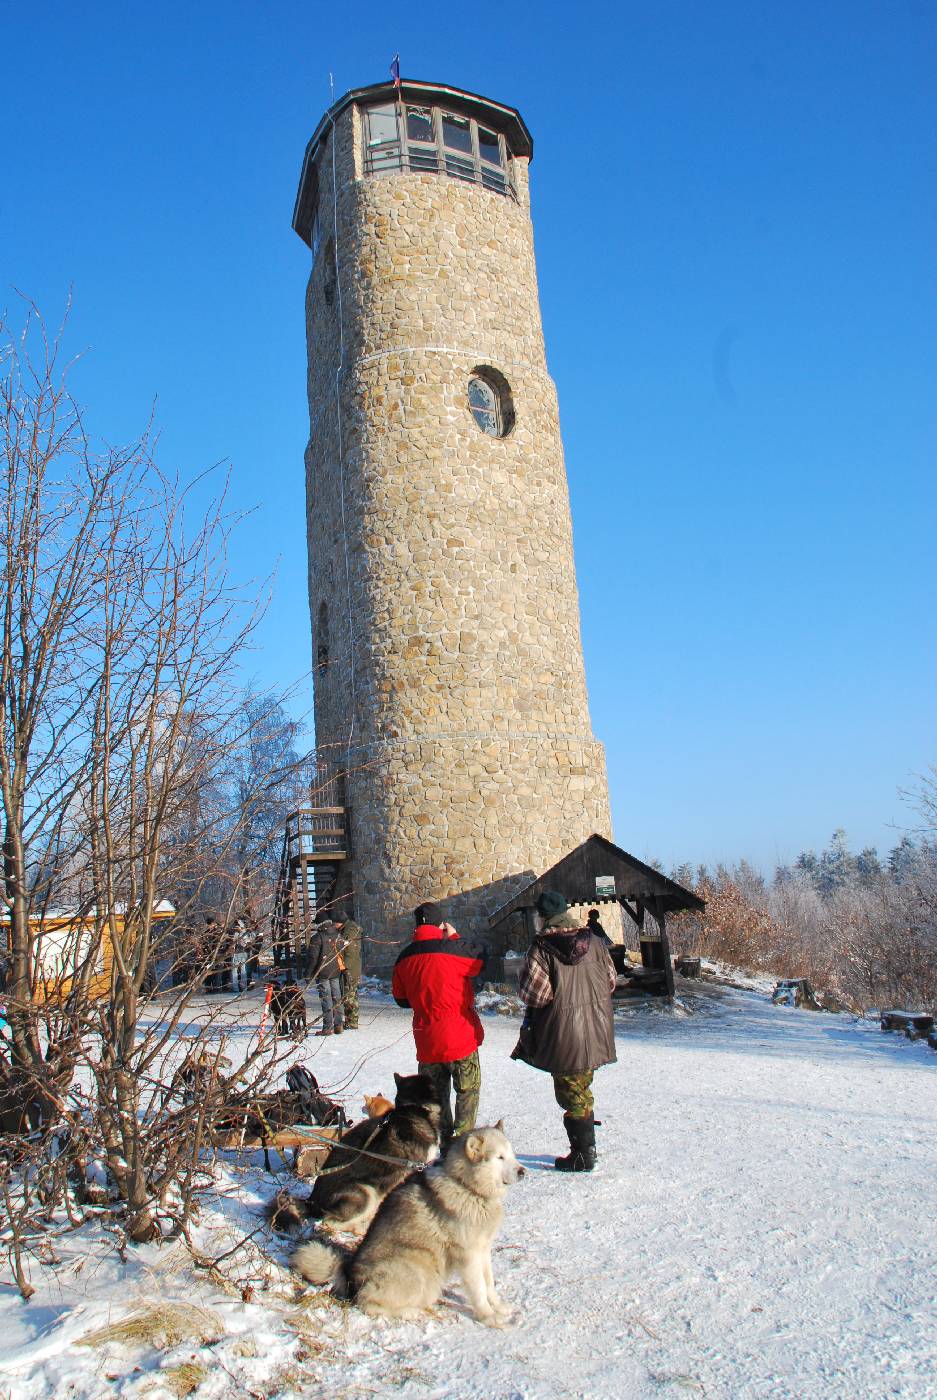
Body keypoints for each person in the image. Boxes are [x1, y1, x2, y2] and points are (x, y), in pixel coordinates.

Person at [512, 890, 616, 1173]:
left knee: (572, 1093)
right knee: (581, 1088)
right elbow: (610, 981)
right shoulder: (595, 943)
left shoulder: (542, 948)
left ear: (543, 917)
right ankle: (586, 1149)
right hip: (596, 1029)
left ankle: (582, 1156)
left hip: (563, 1034)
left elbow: (536, 996)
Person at [391, 902, 485, 1142]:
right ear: (441, 924)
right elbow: (478, 960)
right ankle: (463, 1141)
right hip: (459, 1036)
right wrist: (454, 937)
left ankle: (443, 1143)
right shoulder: (452, 950)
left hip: (427, 1039)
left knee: (436, 1096)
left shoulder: (404, 958)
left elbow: (401, 999)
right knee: (467, 1091)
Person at [307, 920, 347, 1036]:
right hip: (335, 971)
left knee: (326, 999)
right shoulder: (338, 935)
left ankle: (327, 1027)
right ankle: (338, 1025)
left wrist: (308, 974)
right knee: (337, 997)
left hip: (323, 972)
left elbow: (313, 958)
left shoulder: (317, 938)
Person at [334, 914, 362, 1029]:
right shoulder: (351, 929)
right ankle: (351, 1021)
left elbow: (348, 951)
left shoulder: (348, 932)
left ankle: (352, 1022)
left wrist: (344, 967)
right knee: (351, 994)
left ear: (339, 922)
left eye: (335, 923)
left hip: (350, 969)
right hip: (353, 967)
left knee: (349, 995)